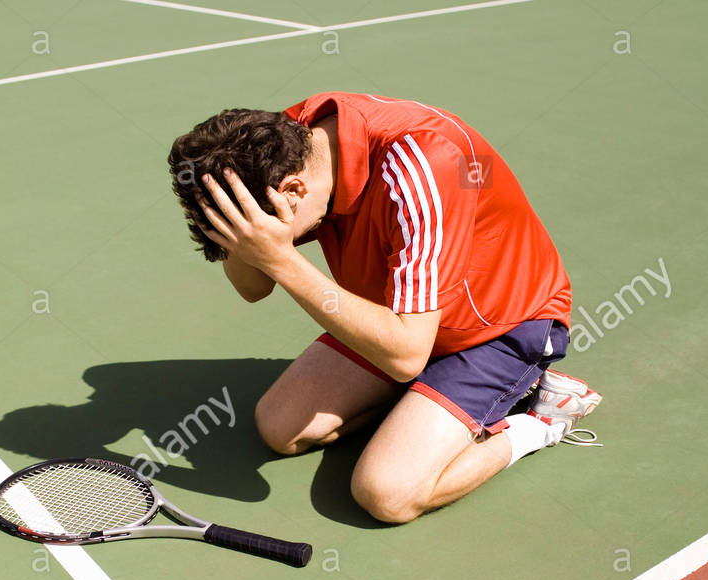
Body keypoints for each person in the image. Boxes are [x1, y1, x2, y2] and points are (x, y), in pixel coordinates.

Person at [166, 92, 601, 524]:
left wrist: (280, 257)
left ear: (293, 190)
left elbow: (407, 355)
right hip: (398, 311)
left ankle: (541, 420)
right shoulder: (278, 148)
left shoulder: (426, 166)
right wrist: (250, 241)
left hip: (496, 326)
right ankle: (433, 406)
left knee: (386, 493)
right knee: (280, 428)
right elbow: (252, 286)